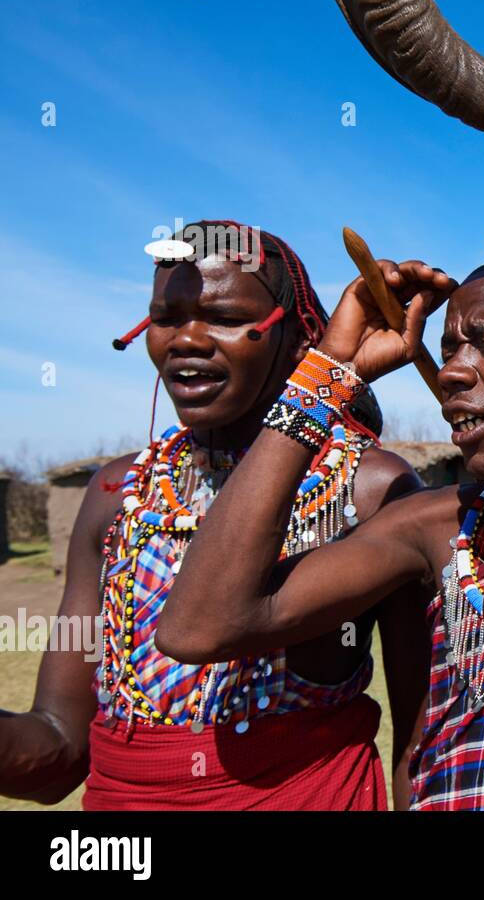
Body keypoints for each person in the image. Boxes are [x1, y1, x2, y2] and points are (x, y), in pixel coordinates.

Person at [156, 35, 484, 809]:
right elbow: (201, 624)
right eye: (446, 347)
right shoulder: (435, 526)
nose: (448, 371)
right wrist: (328, 377)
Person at [0, 221, 428, 810]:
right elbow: (58, 752)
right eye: (167, 317)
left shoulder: (368, 488)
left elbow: (419, 745)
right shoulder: (117, 494)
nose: (186, 340)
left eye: (224, 318)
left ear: (303, 340)